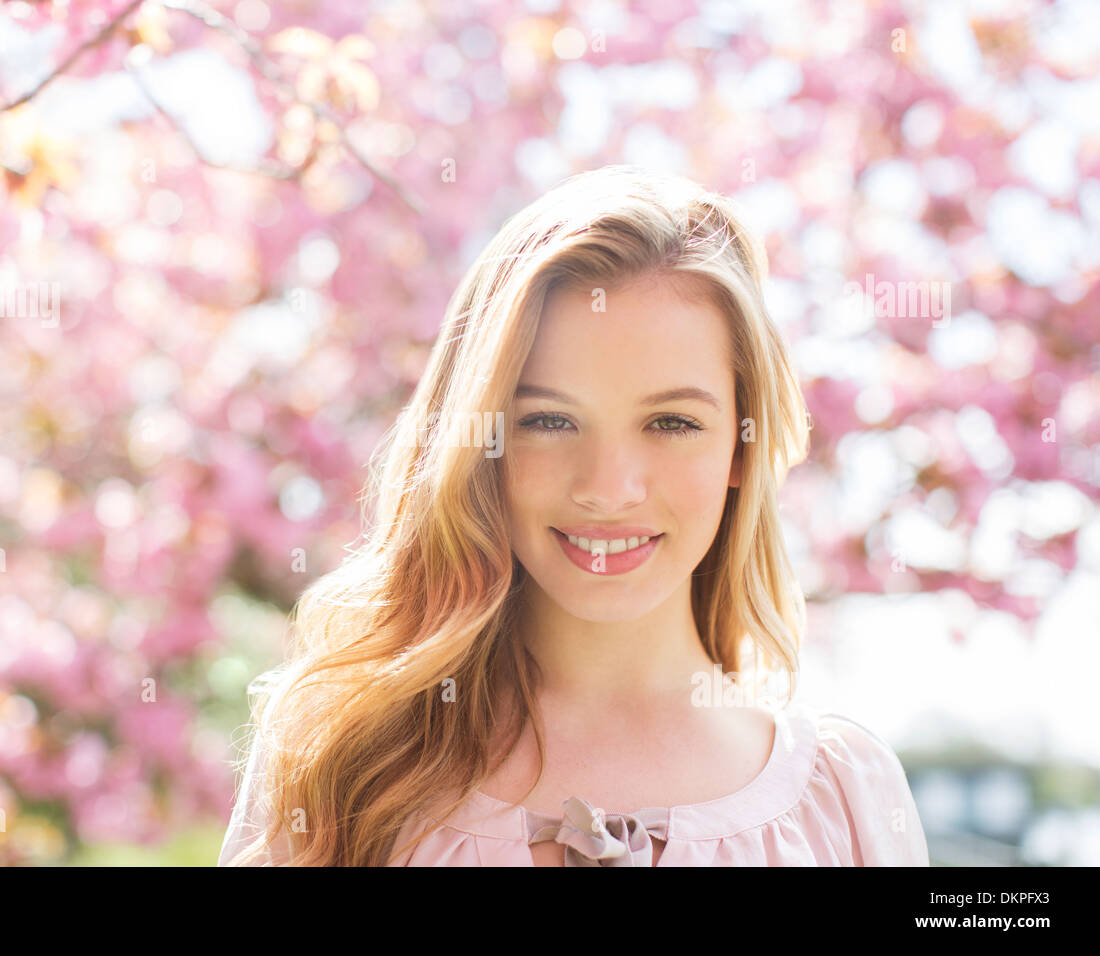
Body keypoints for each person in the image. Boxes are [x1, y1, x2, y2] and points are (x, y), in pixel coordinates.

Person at [219, 165, 929, 867]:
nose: (607, 489)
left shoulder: (842, 799)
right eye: (552, 420)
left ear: (743, 446)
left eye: (673, 423)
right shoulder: (344, 764)